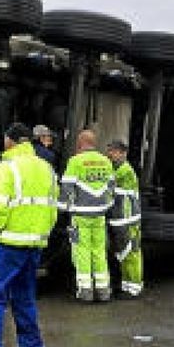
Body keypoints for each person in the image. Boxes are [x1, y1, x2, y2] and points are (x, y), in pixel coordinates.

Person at [0, 123, 59, 347]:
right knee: (24, 296)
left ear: (9, 141)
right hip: (33, 245)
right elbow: (53, 208)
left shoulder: (5, 168)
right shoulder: (46, 168)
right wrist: (40, 236)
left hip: (6, 245)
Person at [58, 129, 115, 302]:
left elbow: (67, 188)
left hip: (81, 214)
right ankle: (103, 289)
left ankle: (85, 290)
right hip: (100, 214)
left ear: (80, 143)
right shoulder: (105, 161)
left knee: (82, 250)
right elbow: (111, 187)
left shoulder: (75, 161)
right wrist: (106, 205)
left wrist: (61, 208)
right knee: (99, 250)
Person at [105, 139, 144, 298]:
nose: (110, 155)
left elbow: (109, 182)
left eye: (113, 151)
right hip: (122, 219)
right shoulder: (119, 168)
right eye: (109, 151)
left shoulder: (125, 170)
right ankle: (127, 286)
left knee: (131, 253)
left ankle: (134, 288)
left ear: (122, 153)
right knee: (124, 253)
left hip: (129, 220)